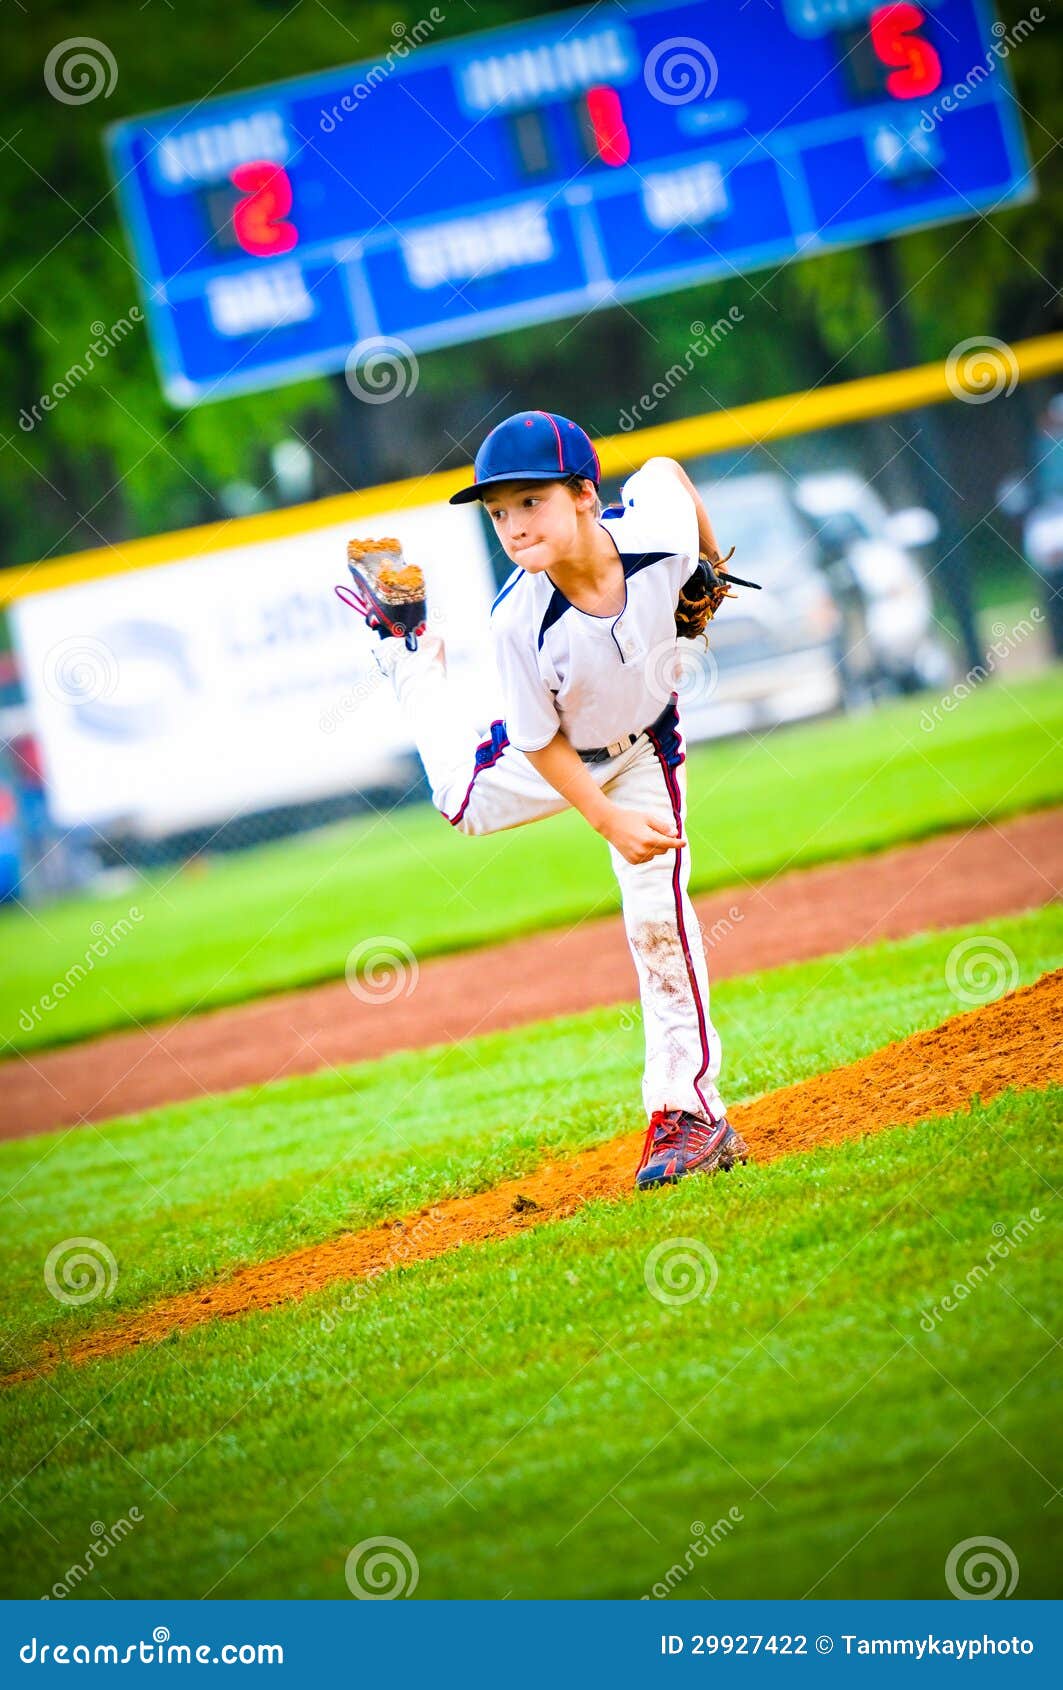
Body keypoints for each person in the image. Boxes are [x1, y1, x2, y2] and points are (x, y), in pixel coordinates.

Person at [339, 410, 746, 1190]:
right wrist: (605, 817)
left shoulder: (653, 536)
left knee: (659, 922)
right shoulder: (518, 624)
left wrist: (709, 563)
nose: (512, 524)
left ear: (585, 496)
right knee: (458, 801)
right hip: (553, 754)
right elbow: (537, 744)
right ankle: (406, 645)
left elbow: (664, 471)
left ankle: (688, 1114)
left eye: (530, 502)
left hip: (648, 743)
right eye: (498, 513)